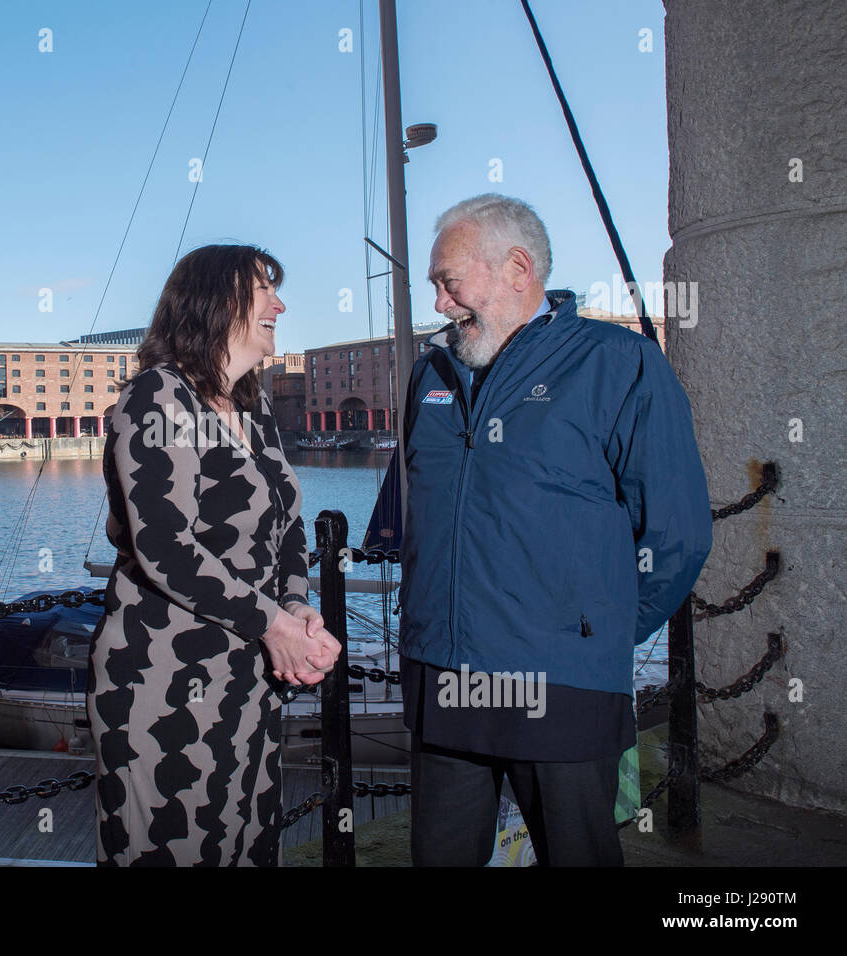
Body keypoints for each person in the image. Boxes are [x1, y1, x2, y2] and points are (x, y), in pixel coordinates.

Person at [398, 194, 712, 866]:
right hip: (441, 676)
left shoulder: (620, 364)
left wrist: (591, 634)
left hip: (560, 686)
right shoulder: (431, 372)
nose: (441, 302)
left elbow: (678, 535)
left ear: (517, 267)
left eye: (448, 282)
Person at [88, 243, 342, 867]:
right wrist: (276, 626)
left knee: (249, 848)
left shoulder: (253, 410)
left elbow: (287, 525)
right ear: (215, 301)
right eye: (264, 291)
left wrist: (298, 609)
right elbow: (165, 547)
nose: (279, 305)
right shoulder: (157, 399)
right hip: (166, 680)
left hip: (249, 678)